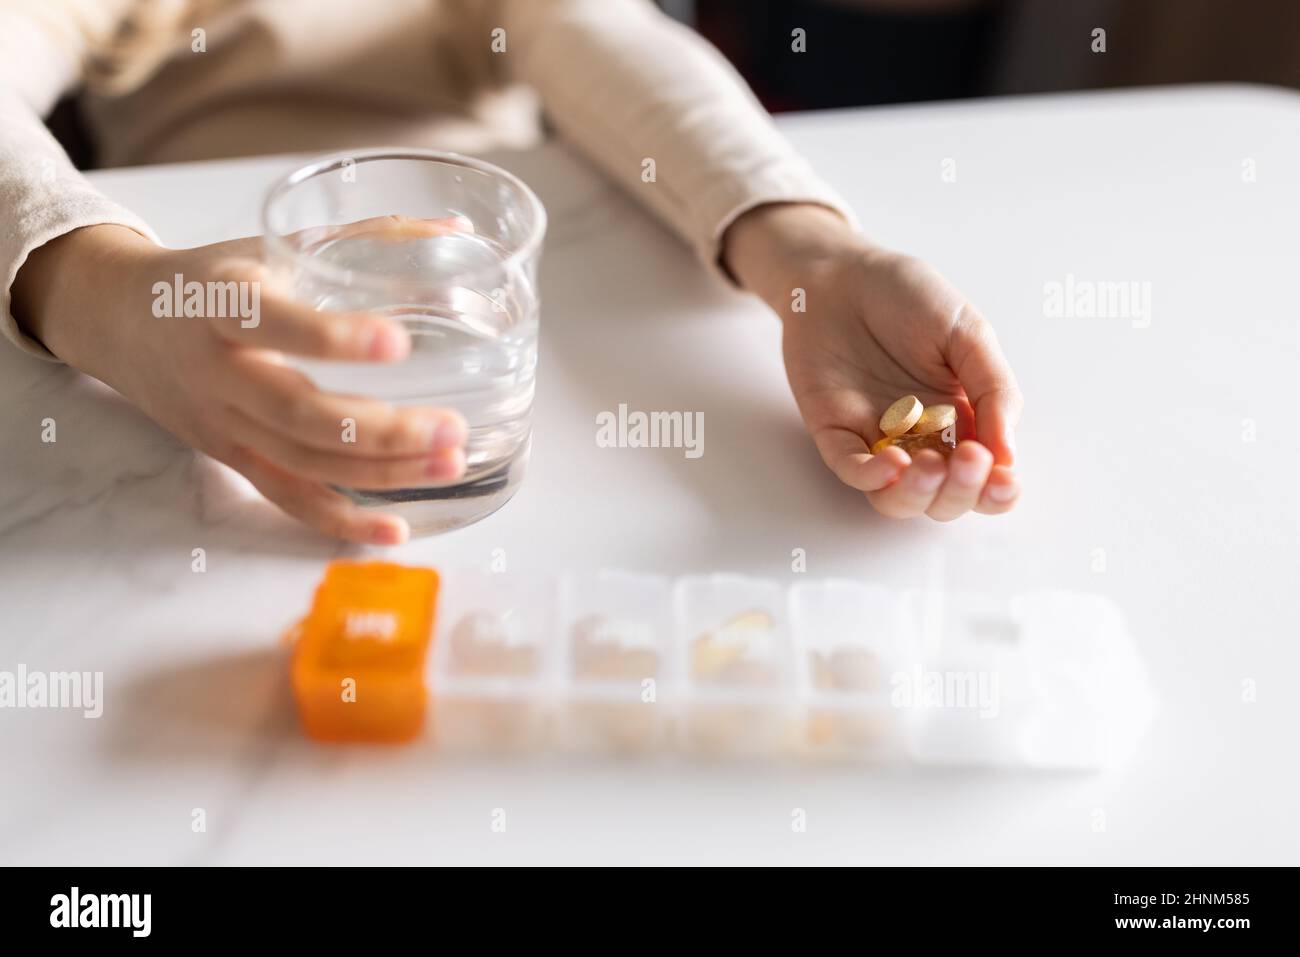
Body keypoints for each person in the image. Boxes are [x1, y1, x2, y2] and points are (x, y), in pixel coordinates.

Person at [2, 0, 1021, 544]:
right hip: (220, 280)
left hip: (498, 257)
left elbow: (591, 30)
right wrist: (97, 289)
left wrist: (809, 253)